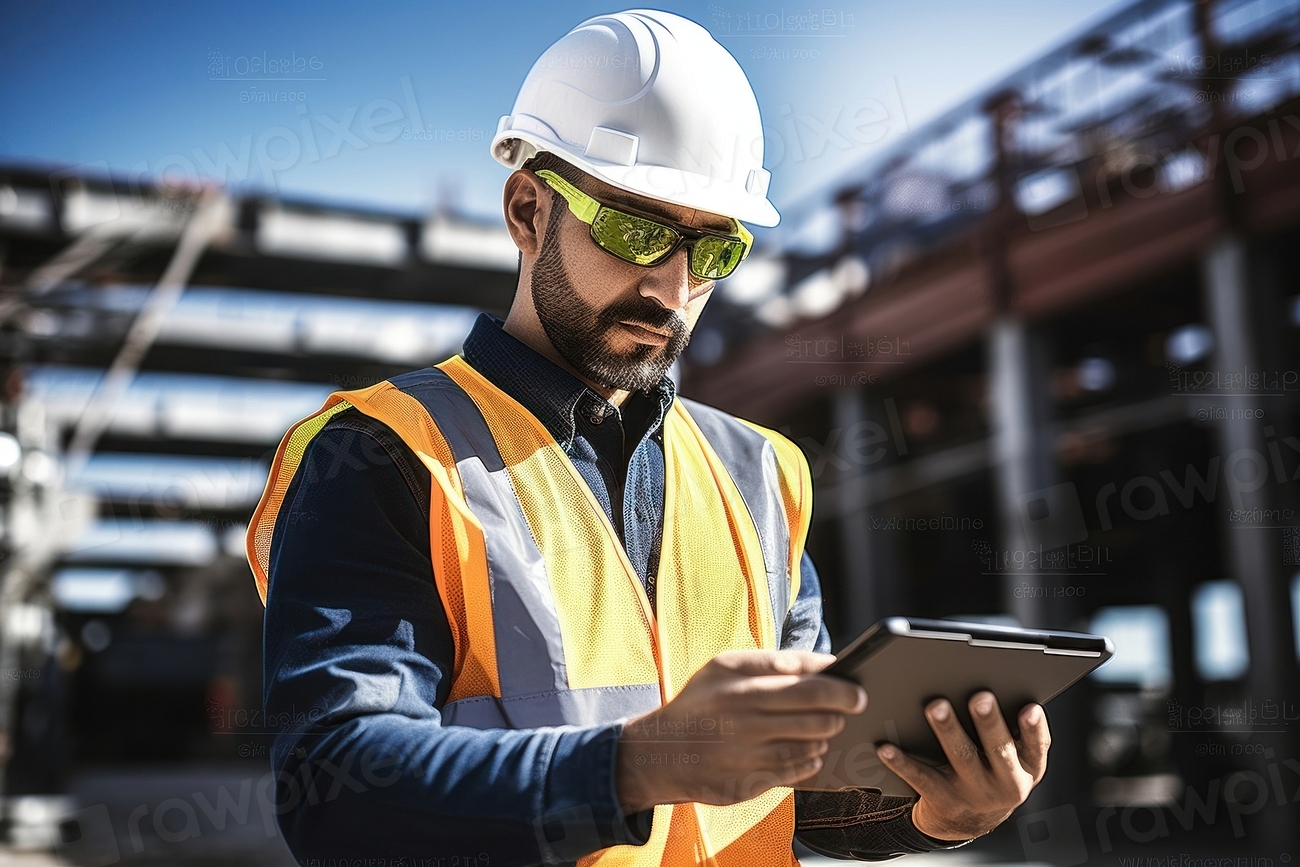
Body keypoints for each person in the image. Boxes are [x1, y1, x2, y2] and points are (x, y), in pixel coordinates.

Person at [247, 10, 1051, 865]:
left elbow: (791, 784)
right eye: (638, 232)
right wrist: (646, 762)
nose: (672, 291)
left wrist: (934, 808)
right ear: (528, 210)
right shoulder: (382, 452)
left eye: (714, 253)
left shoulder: (763, 474)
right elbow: (337, 790)